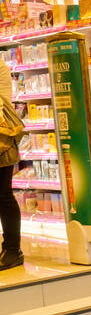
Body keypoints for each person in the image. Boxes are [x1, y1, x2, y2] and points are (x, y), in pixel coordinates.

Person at [0, 59, 20, 271]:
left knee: (3, 196)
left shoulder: (0, 68)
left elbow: (2, 102)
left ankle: (13, 250)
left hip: (2, 140)